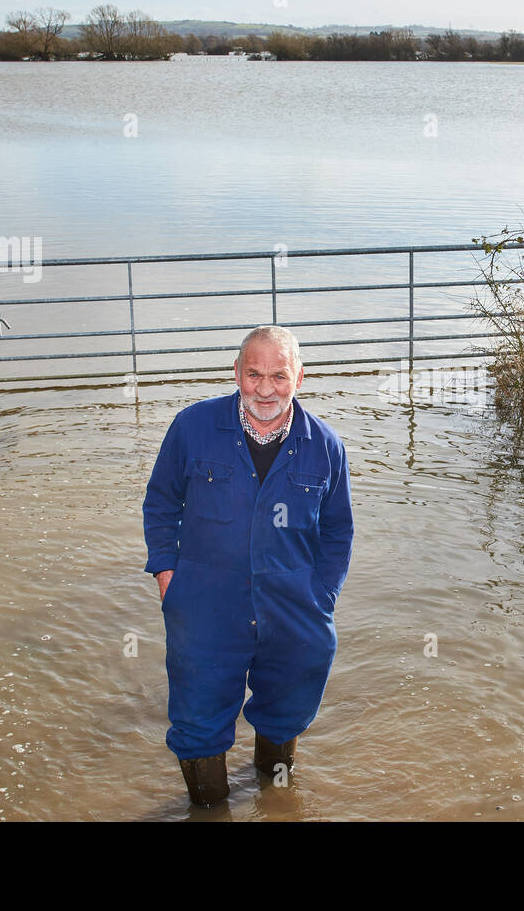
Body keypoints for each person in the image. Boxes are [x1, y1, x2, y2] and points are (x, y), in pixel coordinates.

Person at [142, 325, 354, 807]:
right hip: (204, 606)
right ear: (236, 372)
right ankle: (210, 810)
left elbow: (338, 531)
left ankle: (276, 802)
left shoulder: (325, 446)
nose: (265, 388)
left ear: (299, 377)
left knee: (286, 710)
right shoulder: (192, 428)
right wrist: (166, 574)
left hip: (294, 609)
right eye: (253, 373)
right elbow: (160, 504)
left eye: (278, 375)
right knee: (198, 721)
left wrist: (322, 596)